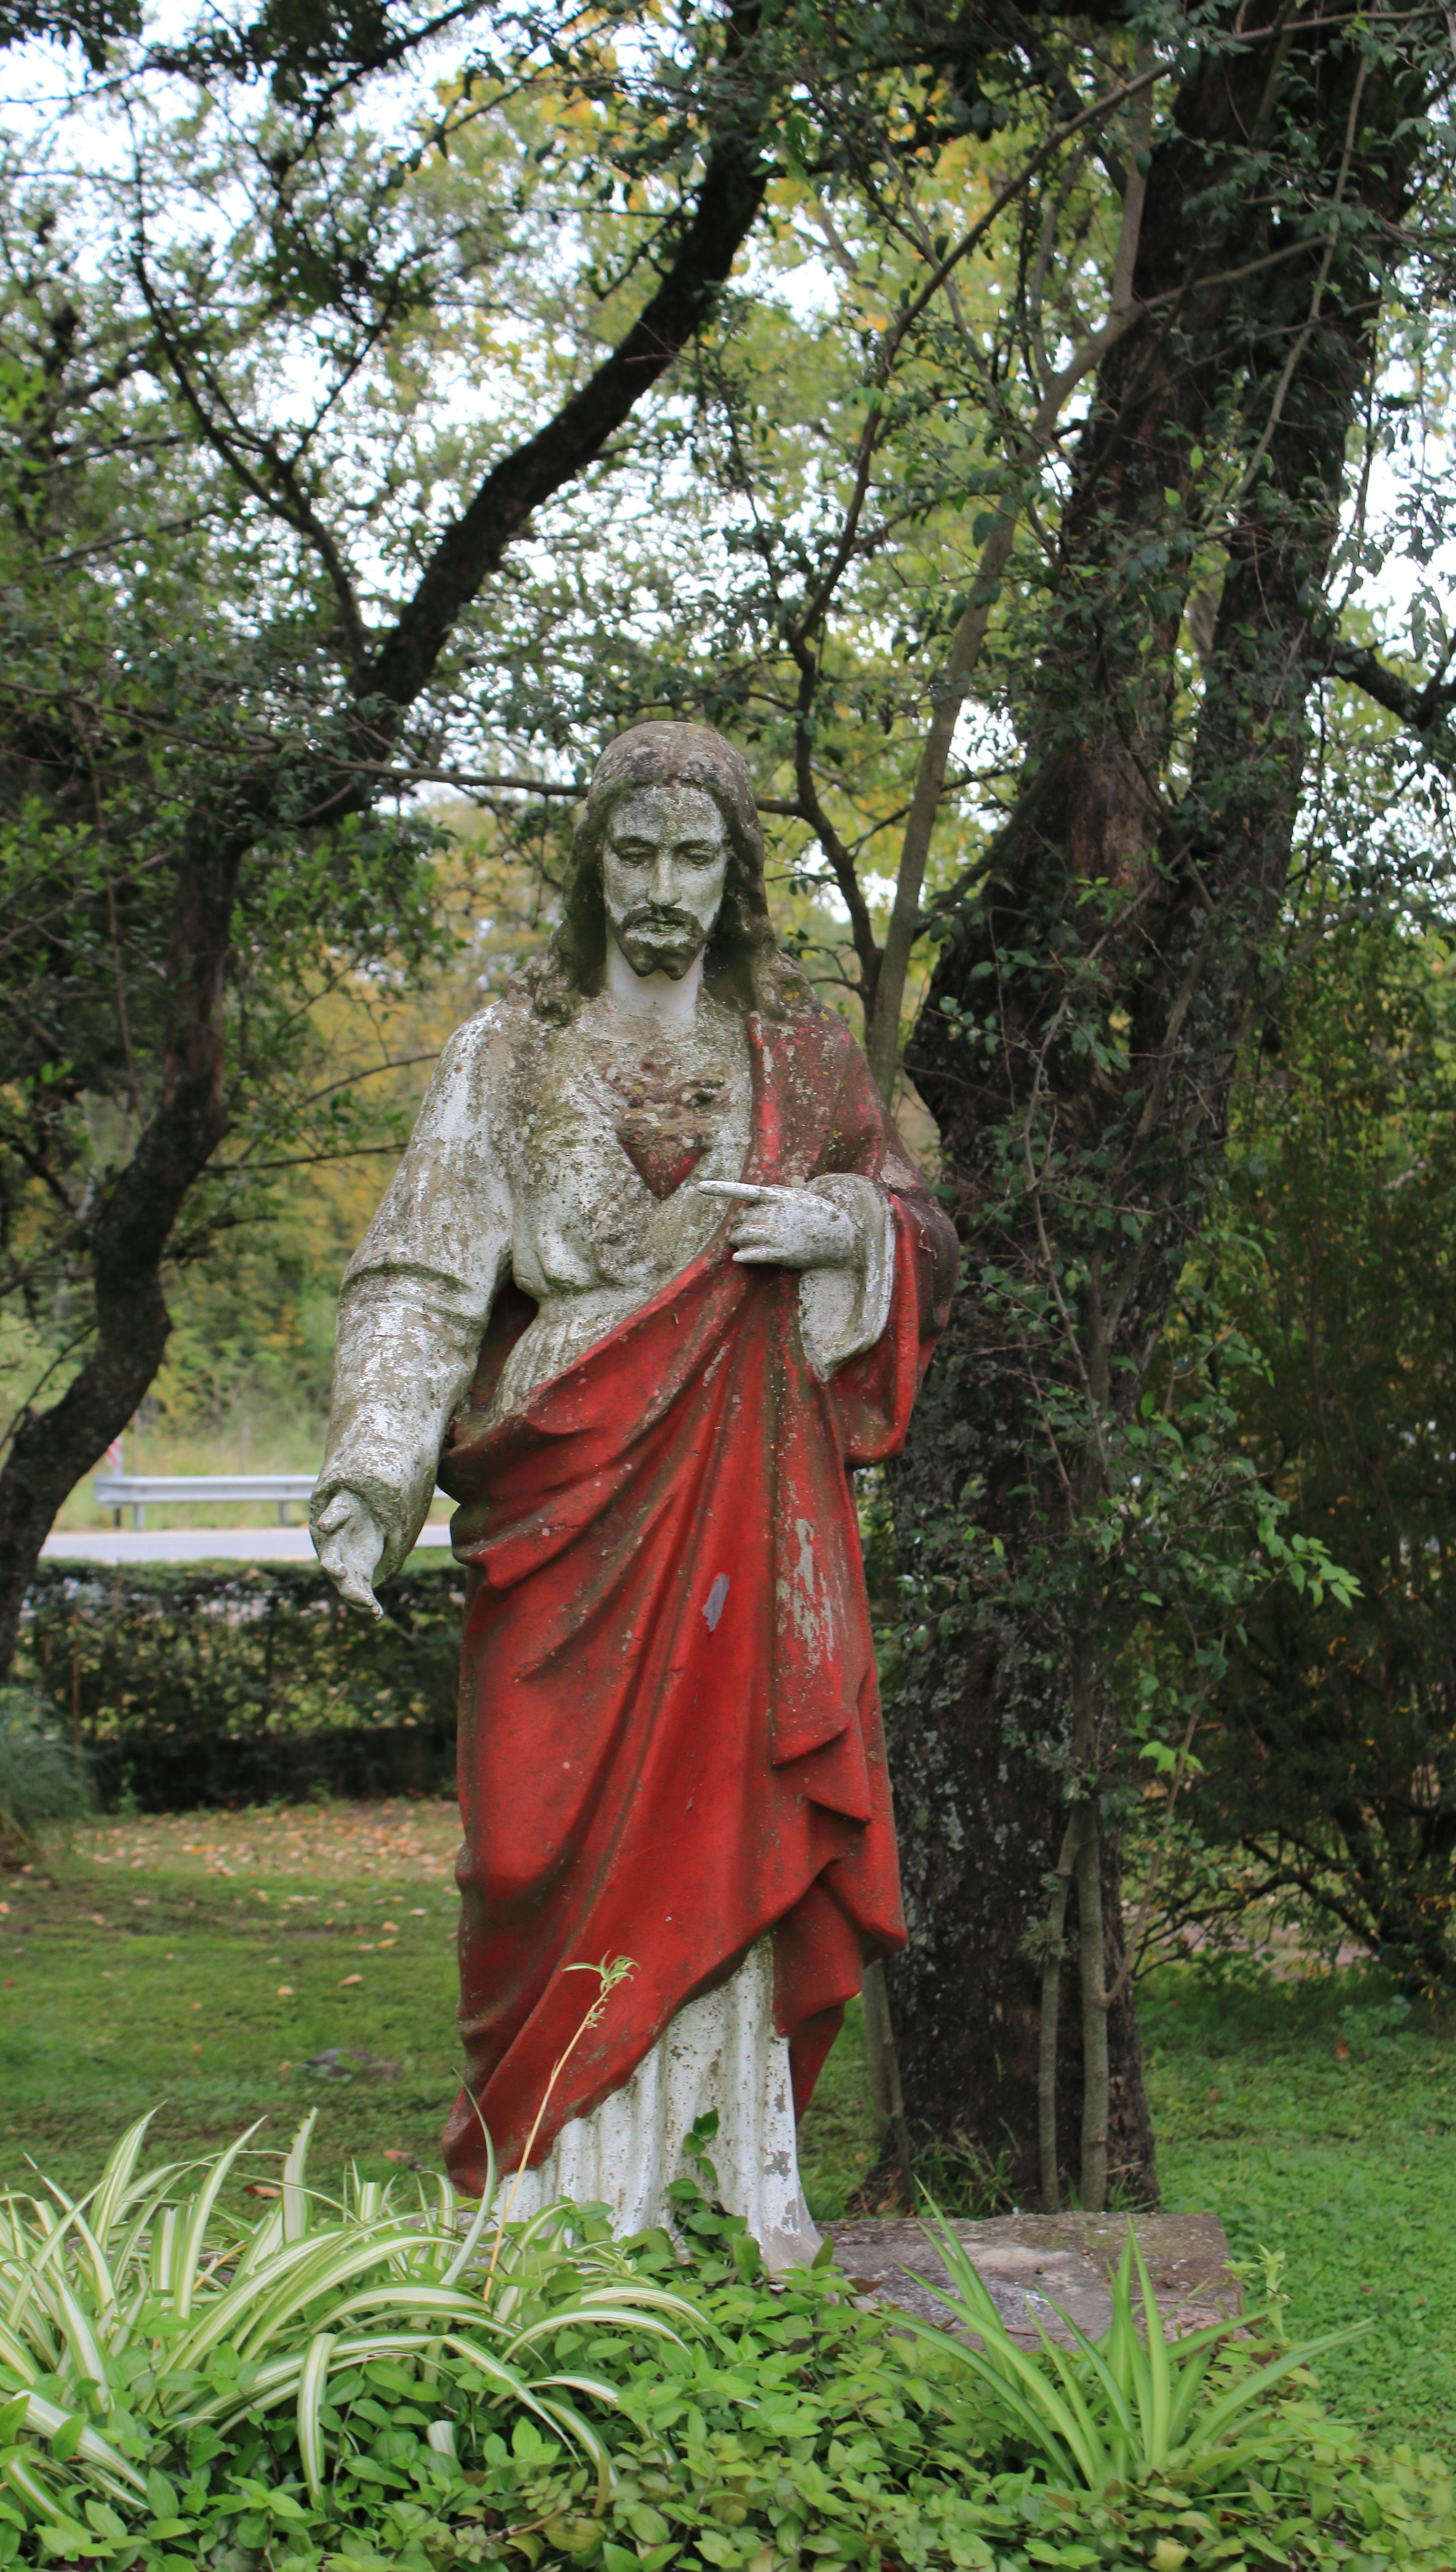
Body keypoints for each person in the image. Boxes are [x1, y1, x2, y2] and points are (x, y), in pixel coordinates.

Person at [312, 720, 955, 2264]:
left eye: (696, 856)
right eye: (635, 851)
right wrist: (372, 1470)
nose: (663, 886)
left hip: (746, 1508)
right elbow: (421, 1264)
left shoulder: (801, 1057)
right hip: (565, 1509)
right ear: (594, 864)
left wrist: (841, 1227)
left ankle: (723, 2198)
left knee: (734, 1828)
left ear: (735, 876)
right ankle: (545, 2213)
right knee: (532, 1851)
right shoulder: (508, 1054)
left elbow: (912, 1223)